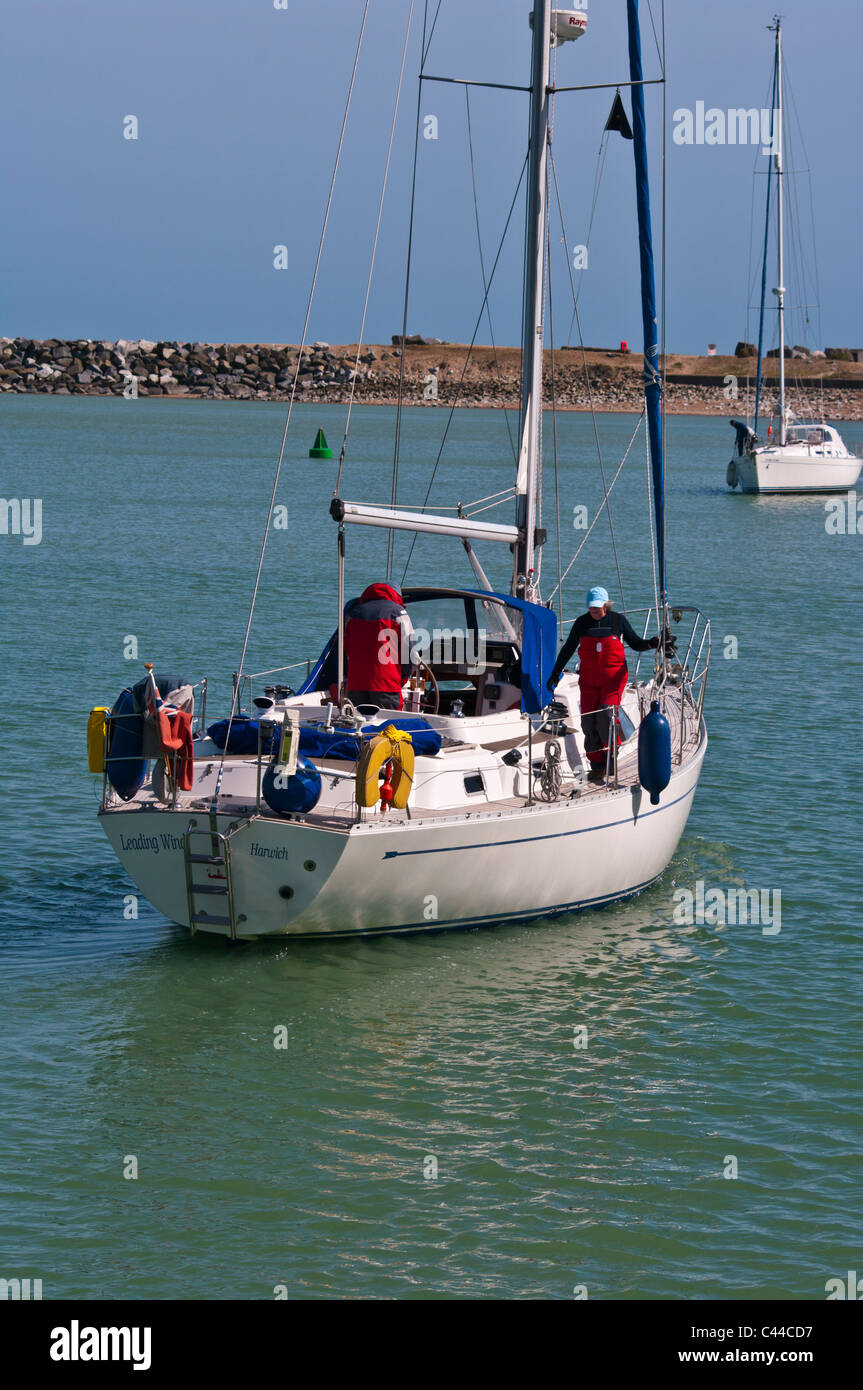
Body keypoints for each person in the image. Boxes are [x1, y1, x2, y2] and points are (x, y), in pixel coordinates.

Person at [547, 586, 665, 783]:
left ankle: (611, 755)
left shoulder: (617, 621)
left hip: (613, 680)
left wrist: (653, 643)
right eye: (591, 608)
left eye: (597, 608)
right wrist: (555, 673)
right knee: (587, 722)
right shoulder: (581, 623)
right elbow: (568, 648)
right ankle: (597, 766)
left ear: (606, 605)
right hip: (589, 681)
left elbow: (636, 643)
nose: (593, 611)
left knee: (605, 715)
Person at [343, 582, 415, 711]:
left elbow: (346, 649)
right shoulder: (398, 612)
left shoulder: (354, 612)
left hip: (356, 684)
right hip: (386, 684)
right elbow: (410, 650)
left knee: (358, 723)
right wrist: (403, 678)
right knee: (388, 726)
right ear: (396, 595)